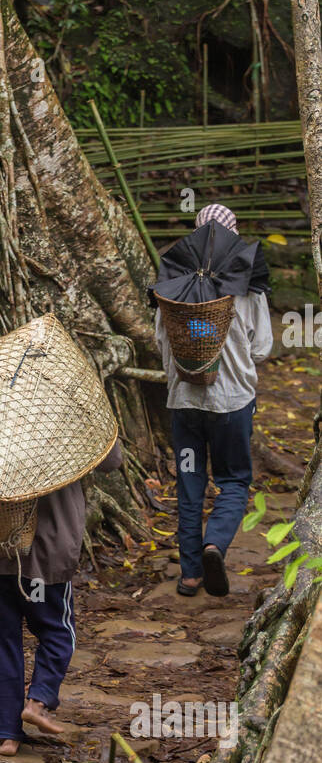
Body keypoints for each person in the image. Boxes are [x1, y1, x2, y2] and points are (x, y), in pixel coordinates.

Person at [0, 441, 123, 756]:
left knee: (3, 639)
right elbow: (111, 460)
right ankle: (39, 701)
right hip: (44, 554)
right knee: (58, 630)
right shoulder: (69, 409)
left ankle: (6, 733)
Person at [154, 203, 273, 598]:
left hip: (184, 404)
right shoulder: (248, 286)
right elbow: (262, 349)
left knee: (189, 483)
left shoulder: (170, 288)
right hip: (232, 406)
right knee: (234, 480)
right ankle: (214, 545)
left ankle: (189, 574)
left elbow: (160, 342)